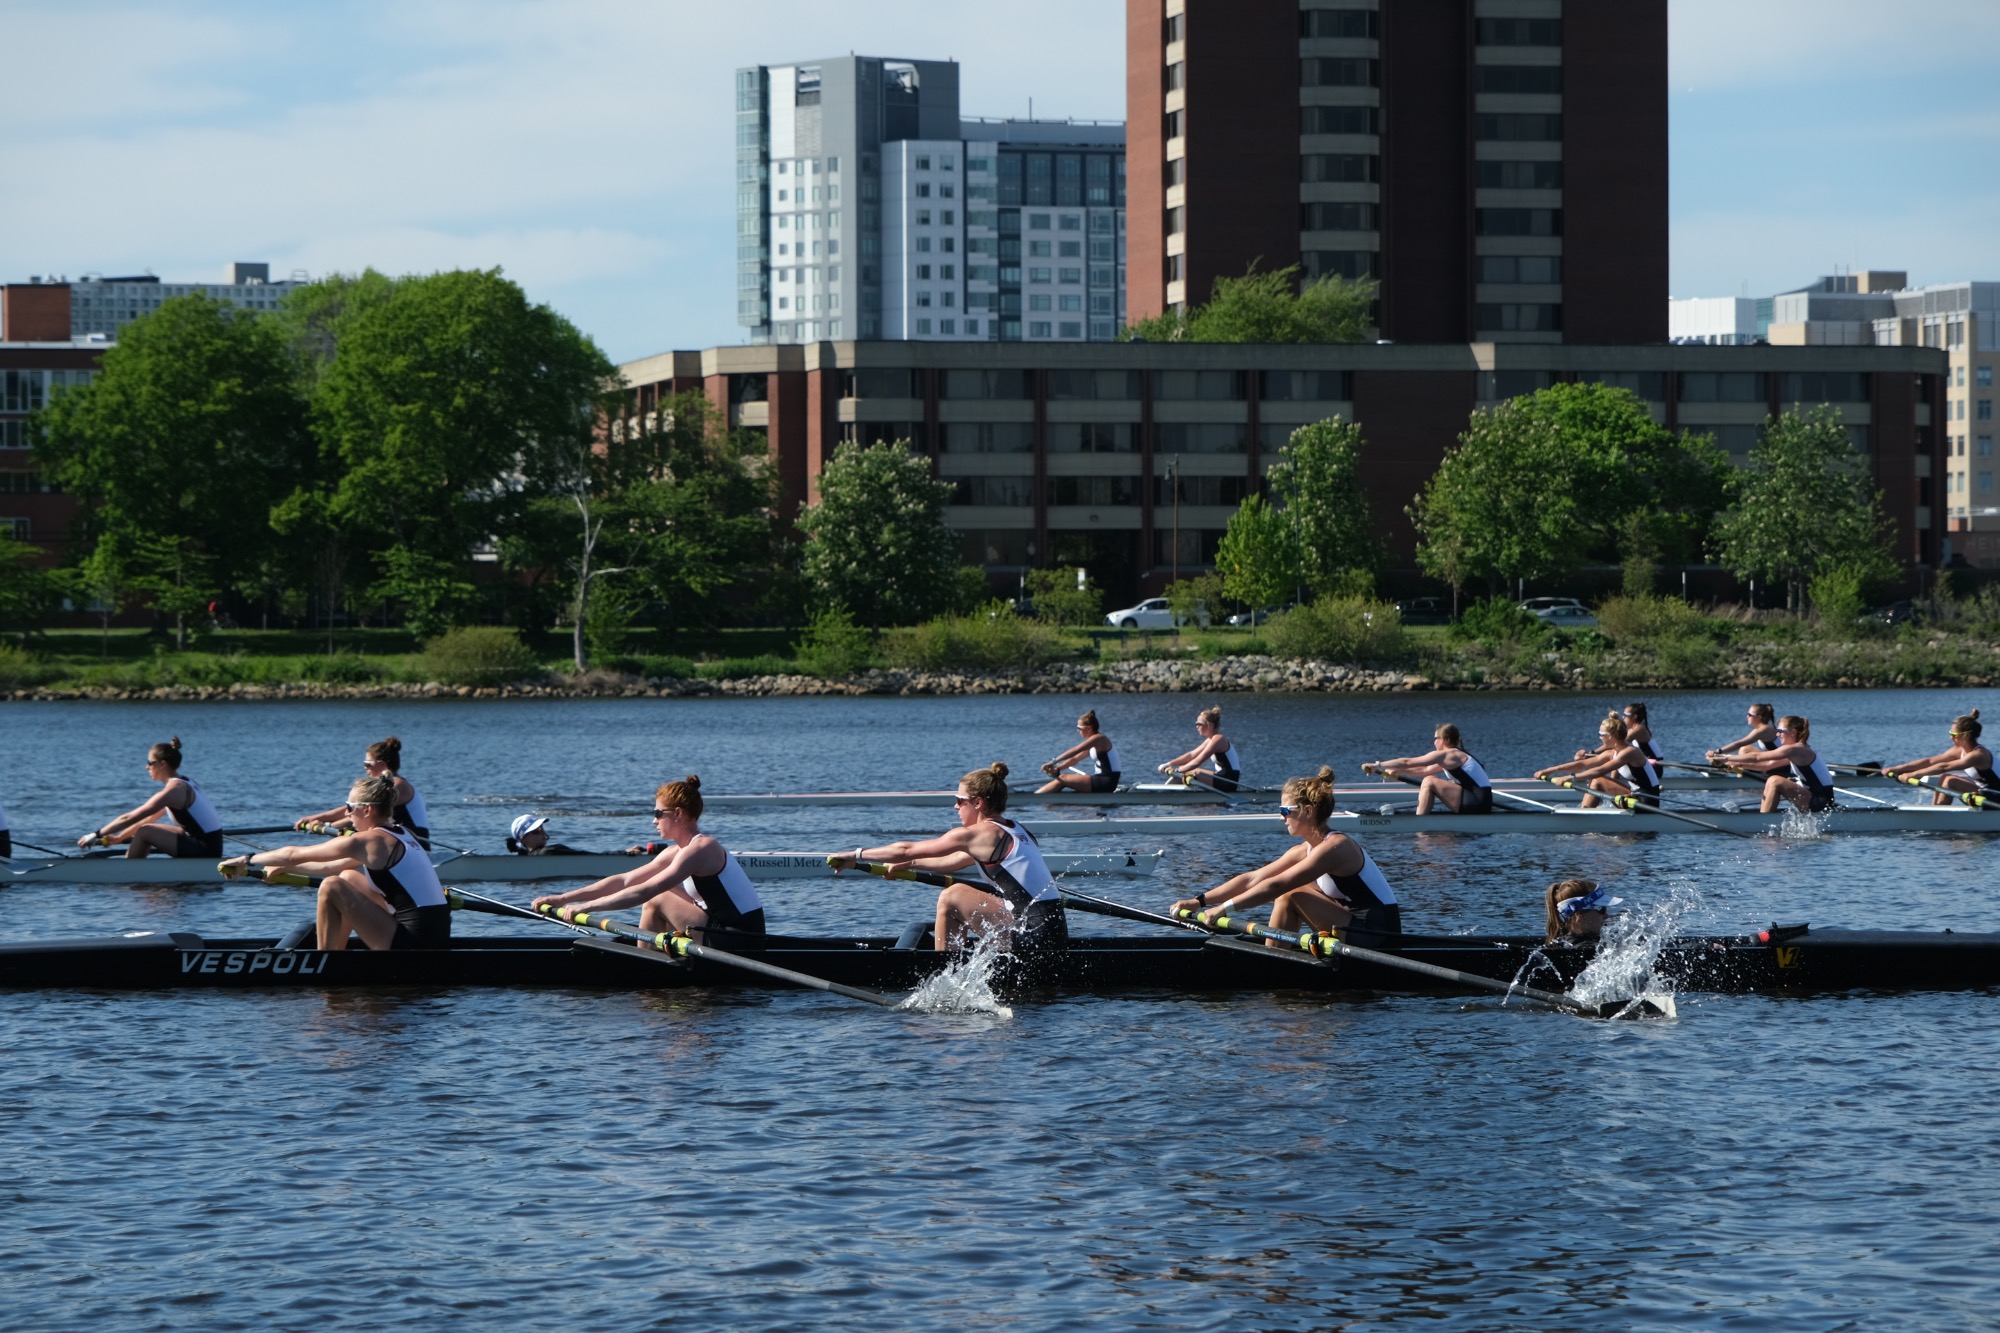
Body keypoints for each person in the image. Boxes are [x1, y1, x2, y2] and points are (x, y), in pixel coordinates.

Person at [830, 761, 1068, 964]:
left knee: (952, 895)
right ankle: (955, 960)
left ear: (978, 803)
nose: (955, 806)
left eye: (959, 800)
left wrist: (856, 854)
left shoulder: (979, 834)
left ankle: (941, 968)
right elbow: (953, 861)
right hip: (1052, 935)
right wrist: (912, 864)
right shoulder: (1016, 829)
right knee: (966, 897)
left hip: (1033, 940)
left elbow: (904, 849)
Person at [1170, 766, 1402, 942]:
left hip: (1380, 935)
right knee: (1290, 894)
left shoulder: (1336, 847)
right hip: (1351, 927)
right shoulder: (1303, 850)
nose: (1281, 817)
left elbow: (1276, 886)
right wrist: (1199, 901)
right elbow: (1253, 879)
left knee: (1290, 894)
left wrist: (1224, 909)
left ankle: (1274, 961)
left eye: (1285, 811)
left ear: (1308, 811)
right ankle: (1276, 955)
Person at [220, 775, 449, 951]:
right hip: (435, 933)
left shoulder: (369, 840)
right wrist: (285, 868)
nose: (347, 815)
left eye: (350, 807)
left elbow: (293, 853)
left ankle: (325, 961)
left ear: (367, 809)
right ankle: (337, 950)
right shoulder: (404, 833)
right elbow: (329, 865)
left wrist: (247, 860)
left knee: (330, 886)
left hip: (413, 942)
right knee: (348, 876)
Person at [531, 776, 765, 937]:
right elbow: (624, 881)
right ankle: (655, 954)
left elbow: (645, 892)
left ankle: (646, 967)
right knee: (657, 891)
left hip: (739, 938)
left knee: (656, 898)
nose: (653, 820)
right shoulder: (678, 851)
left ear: (678, 814)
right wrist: (562, 898)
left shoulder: (701, 849)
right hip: (718, 929)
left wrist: (587, 907)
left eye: (657, 813)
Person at [77, 736, 225, 859]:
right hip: (208, 843)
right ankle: (137, 870)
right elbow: (149, 819)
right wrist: (118, 838)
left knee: (145, 832)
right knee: (146, 828)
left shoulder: (174, 790)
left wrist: (96, 834)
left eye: (150, 763)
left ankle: (128, 872)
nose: (147, 767)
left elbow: (128, 818)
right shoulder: (183, 783)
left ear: (162, 764)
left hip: (205, 850)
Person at [297, 736, 431, 849]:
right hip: (394, 842)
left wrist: (327, 827)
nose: (365, 768)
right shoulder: (379, 788)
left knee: (348, 842)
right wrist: (316, 818)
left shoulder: (398, 785)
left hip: (415, 845)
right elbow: (353, 808)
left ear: (383, 765)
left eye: (368, 764)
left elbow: (362, 813)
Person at [1362, 723, 1494, 814]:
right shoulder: (1454, 756)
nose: (1434, 742)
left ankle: (1420, 822)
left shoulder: (1450, 755)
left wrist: (1377, 765)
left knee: (1429, 781)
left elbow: (1407, 762)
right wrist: (1397, 771)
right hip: (1480, 802)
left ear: (1445, 739)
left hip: (1477, 802)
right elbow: (1423, 771)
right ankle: (1422, 818)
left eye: (1436, 738)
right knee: (1428, 777)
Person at [1713, 714, 1835, 813]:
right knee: (1774, 779)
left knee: (1775, 780)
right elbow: (1766, 766)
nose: (1777, 734)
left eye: (1780, 731)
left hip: (1820, 801)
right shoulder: (1797, 750)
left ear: (1793, 732)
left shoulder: (1794, 749)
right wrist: (1739, 765)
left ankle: (1763, 820)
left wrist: (1726, 758)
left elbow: (1757, 757)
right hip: (1818, 798)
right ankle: (1765, 814)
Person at [1535, 714, 1661, 809]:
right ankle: (1584, 811)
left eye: (1601, 733)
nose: (1600, 737)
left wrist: (1570, 778)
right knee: (1597, 779)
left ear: (1611, 736)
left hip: (1647, 802)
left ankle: (1583, 815)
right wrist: (1549, 770)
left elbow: (1601, 770)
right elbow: (1582, 764)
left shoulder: (1630, 752)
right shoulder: (1613, 752)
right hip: (1634, 797)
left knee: (1598, 779)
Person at [1883, 710, 1999, 806]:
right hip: (1985, 793)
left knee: (1950, 781)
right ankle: (1936, 810)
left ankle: (1939, 815)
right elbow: (1930, 761)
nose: (1950, 738)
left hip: (1995, 797)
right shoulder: (1959, 751)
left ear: (1965, 735)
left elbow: (1945, 766)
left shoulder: (1979, 755)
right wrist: (1898, 769)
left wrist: (1911, 775)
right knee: (1945, 777)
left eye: (1954, 735)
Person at [1157, 706, 1243, 791]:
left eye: (1199, 724)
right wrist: (1169, 764)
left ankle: (1164, 795)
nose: (1197, 726)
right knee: (1186, 770)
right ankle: (1167, 792)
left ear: (1210, 725)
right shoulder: (1210, 739)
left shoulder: (1218, 739)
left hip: (1229, 782)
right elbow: (1191, 755)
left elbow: (1197, 762)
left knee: (1192, 771)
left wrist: (1177, 770)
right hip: (1222, 778)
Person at [1037, 710, 1121, 794]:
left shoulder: (1099, 739)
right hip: (1101, 780)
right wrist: (1058, 768)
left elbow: (1076, 750)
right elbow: (1075, 758)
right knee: (1070, 788)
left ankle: (1036, 798)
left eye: (1079, 728)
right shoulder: (1094, 743)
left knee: (1062, 778)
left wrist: (1052, 762)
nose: (1078, 731)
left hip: (1106, 781)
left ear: (1089, 728)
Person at [1545, 879, 1621, 944]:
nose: (1606, 916)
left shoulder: (1564, 942)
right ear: (1579, 914)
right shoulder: (1585, 952)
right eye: (1601, 909)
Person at [1705, 703, 1779, 762]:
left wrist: (1718, 751)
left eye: (1749, 715)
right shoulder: (1766, 727)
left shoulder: (1763, 730)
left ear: (1759, 717)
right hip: (1774, 759)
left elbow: (1739, 744)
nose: (1747, 716)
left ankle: (1739, 775)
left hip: (1779, 764)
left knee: (1743, 750)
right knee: (1745, 749)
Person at [506, 814, 586, 855]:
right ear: (523, 839)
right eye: (537, 830)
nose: (542, 833)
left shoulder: (522, 857)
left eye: (541, 828)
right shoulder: (549, 851)